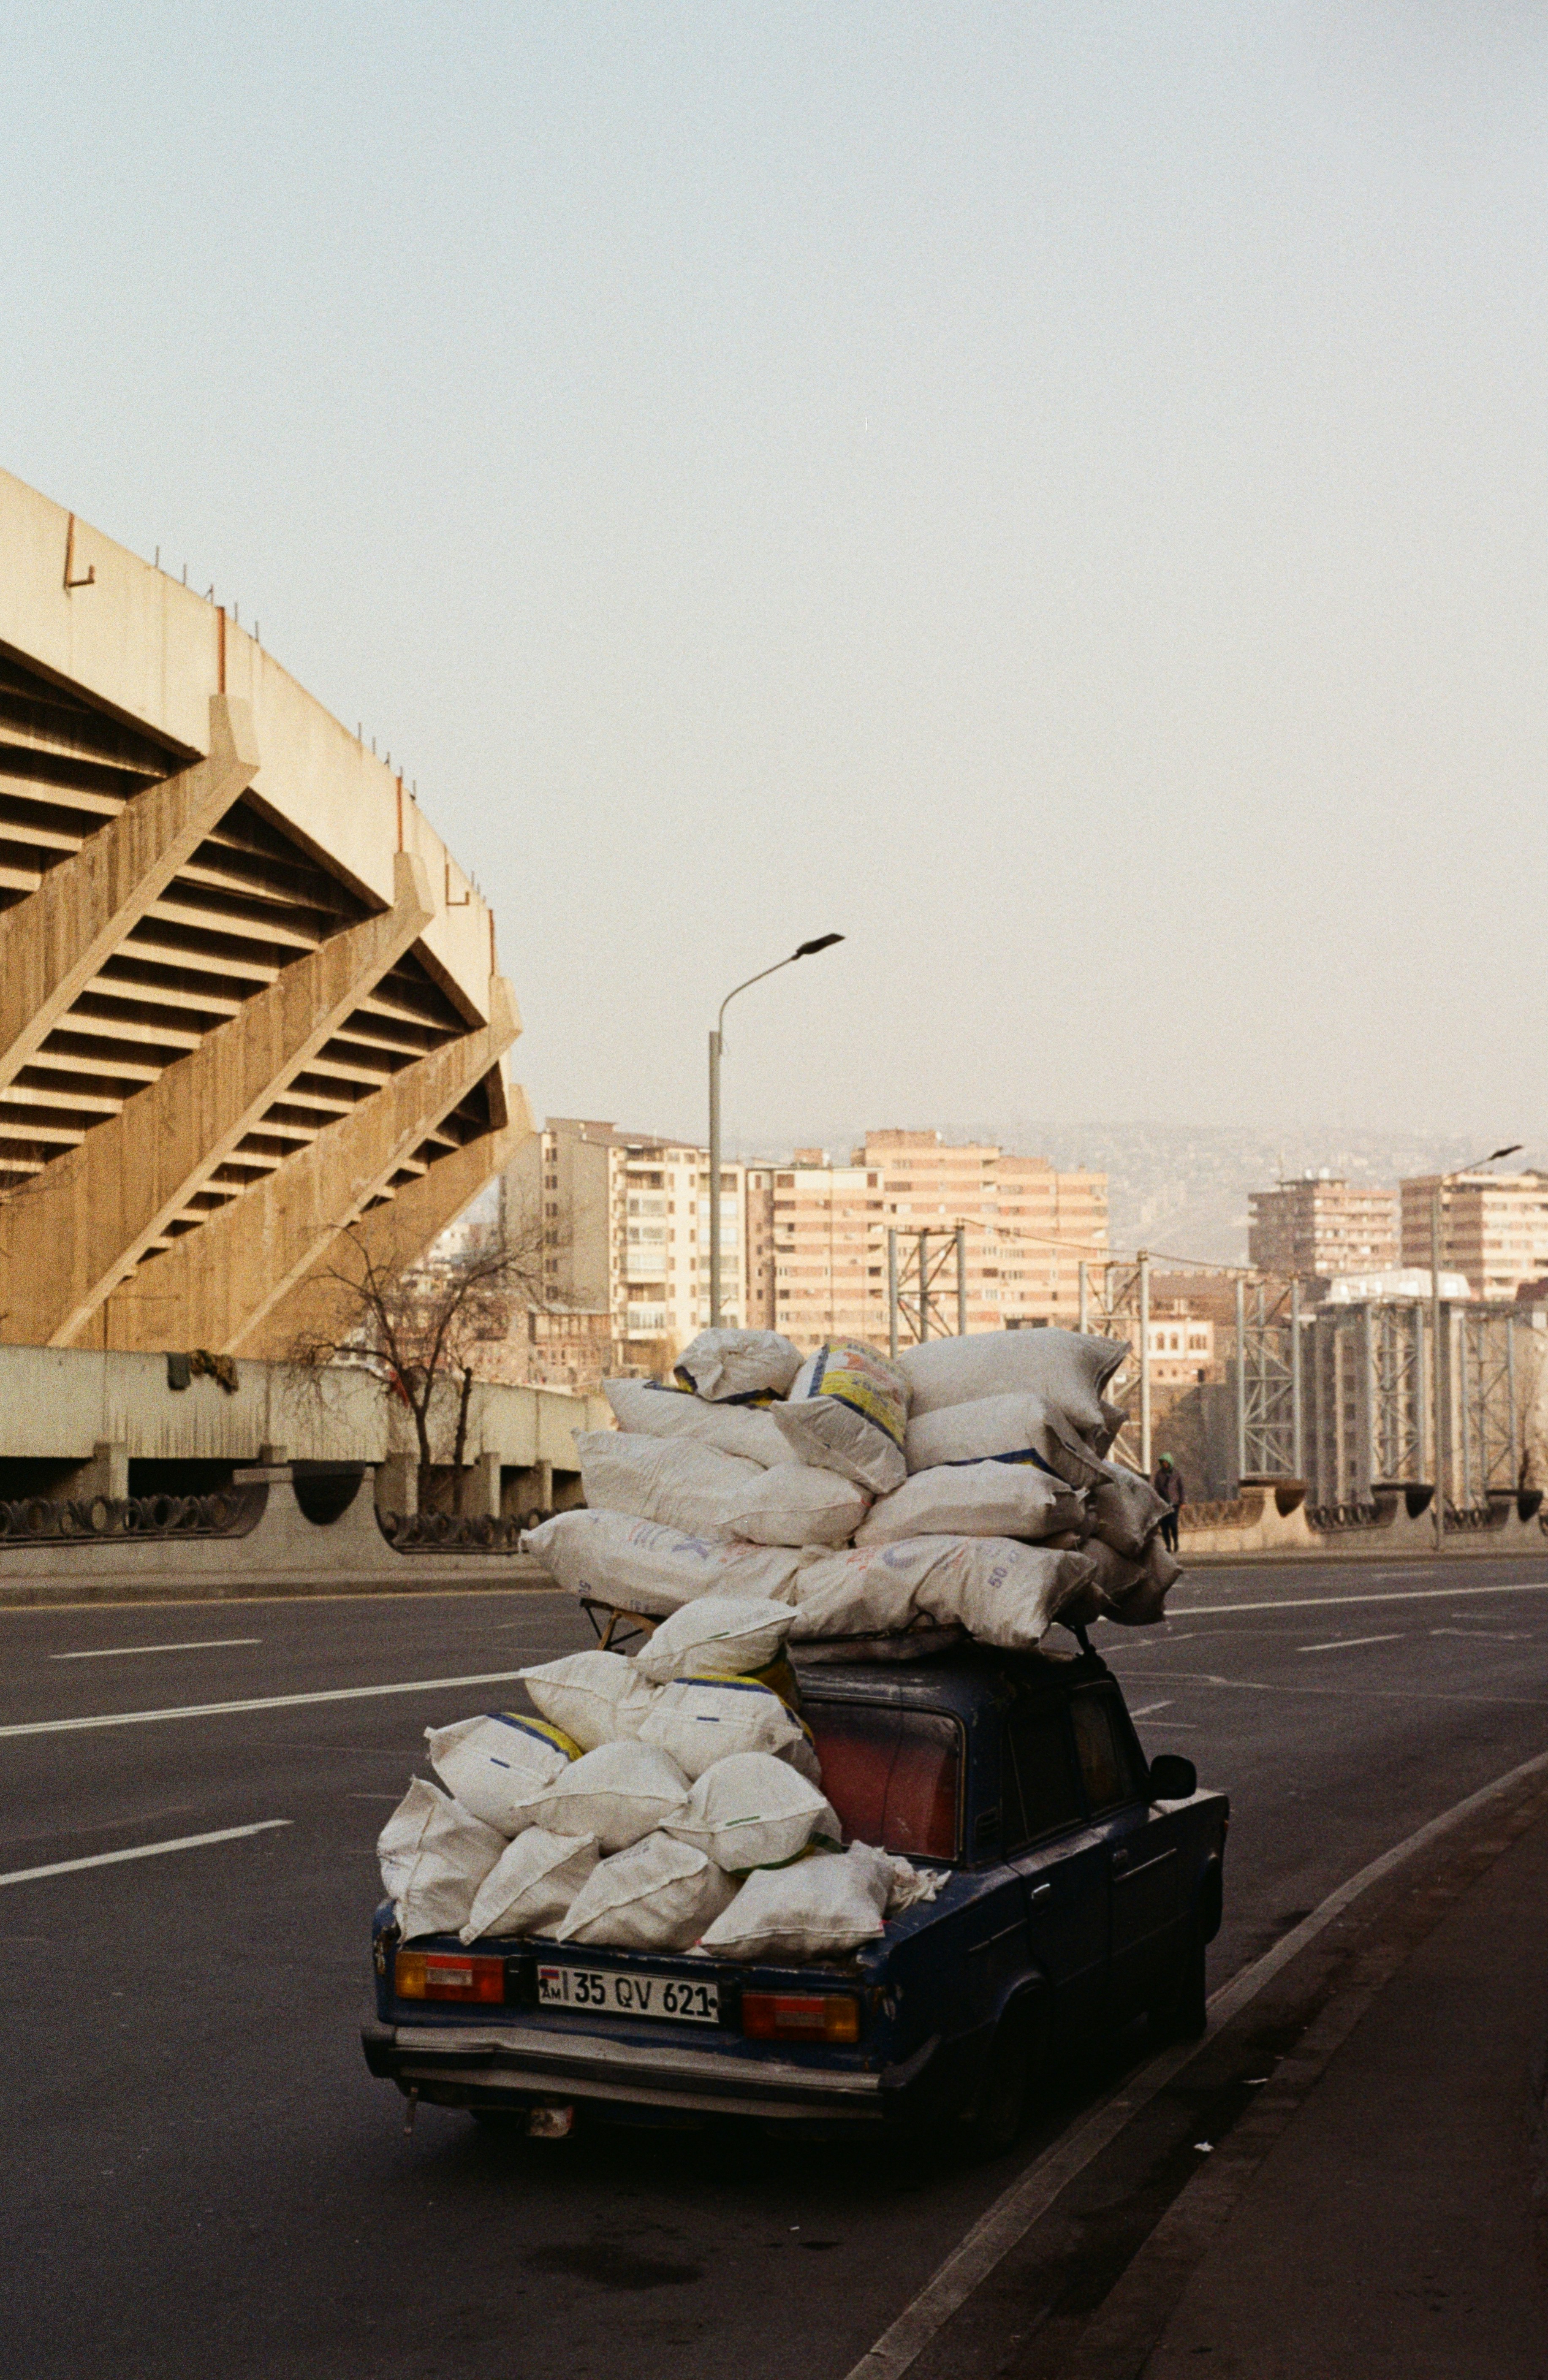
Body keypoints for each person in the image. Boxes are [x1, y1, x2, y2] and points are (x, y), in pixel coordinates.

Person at [1153, 1454, 1184, 1551]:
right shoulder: (1159, 1475)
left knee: (1173, 1524)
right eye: (1163, 1463)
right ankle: (1168, 1546)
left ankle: (1176, 1542)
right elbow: (1156, 1489)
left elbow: (1181, 1488)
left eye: (1166, 1463)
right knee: (1164, 1526)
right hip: (1163, 1504)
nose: (1165, 1465)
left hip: (1175, 1503)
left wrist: (1182, 1501)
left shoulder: (1177, 1474)